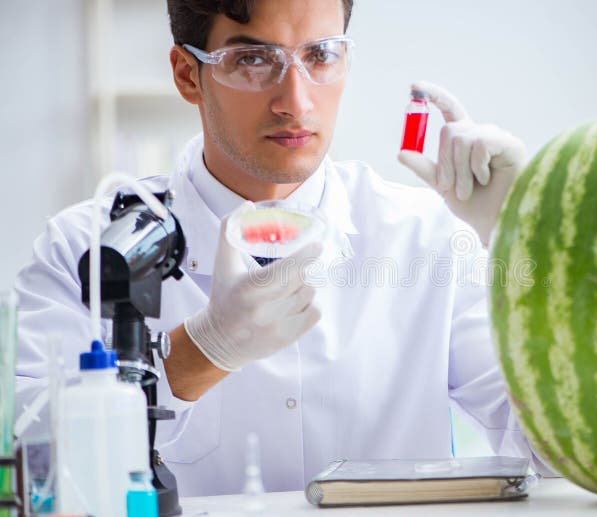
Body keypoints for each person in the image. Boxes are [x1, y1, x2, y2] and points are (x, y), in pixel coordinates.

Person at [14, 0, 544, 496]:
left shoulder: (428, 239)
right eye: (251, 59)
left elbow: (556, 451)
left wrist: (526, 236)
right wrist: (199, 352)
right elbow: (25, 466)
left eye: (320, 55)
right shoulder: (84, 249)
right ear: (186, 75)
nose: (296, 101)